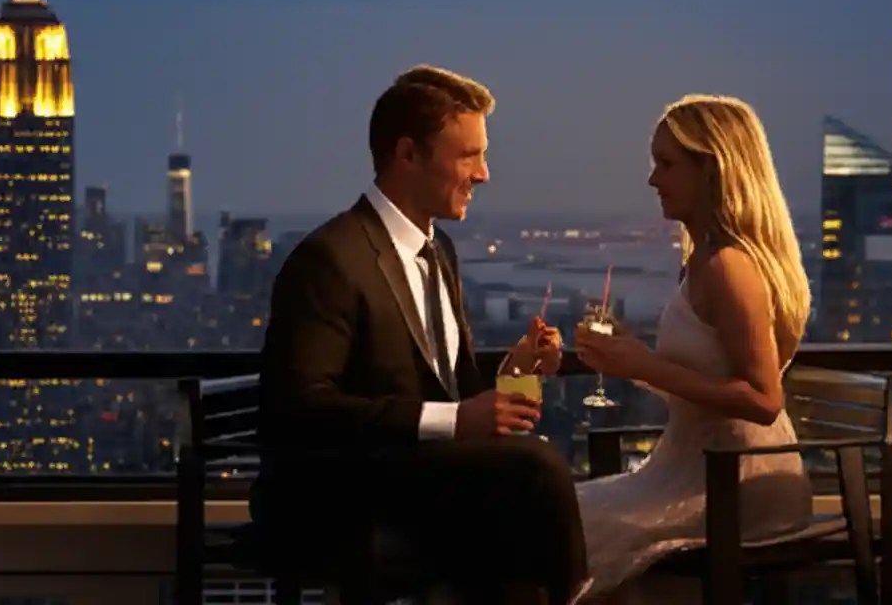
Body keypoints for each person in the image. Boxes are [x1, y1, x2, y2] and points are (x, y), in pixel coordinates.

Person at [253, 64, 590, 604]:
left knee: (523, 492)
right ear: (407, 154)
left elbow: (446, 379)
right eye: (469, 155)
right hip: (343, 487)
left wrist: (517, 367)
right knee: (536, 467)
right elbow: (294, 407)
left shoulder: (439, 252)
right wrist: (455, 420)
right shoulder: (330, 259)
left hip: (422, 477)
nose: (484, 174)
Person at [557, 94, 814, 602]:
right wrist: (632, 364)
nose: (654, 180)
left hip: (738, 484)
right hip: (697, 470)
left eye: (667, 164)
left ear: (714, 170)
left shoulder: (729, 269)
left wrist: (646, 364)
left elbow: (764, 401)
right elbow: (704, 384)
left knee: (565, 530)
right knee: (557, 516)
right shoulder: (703, 262)